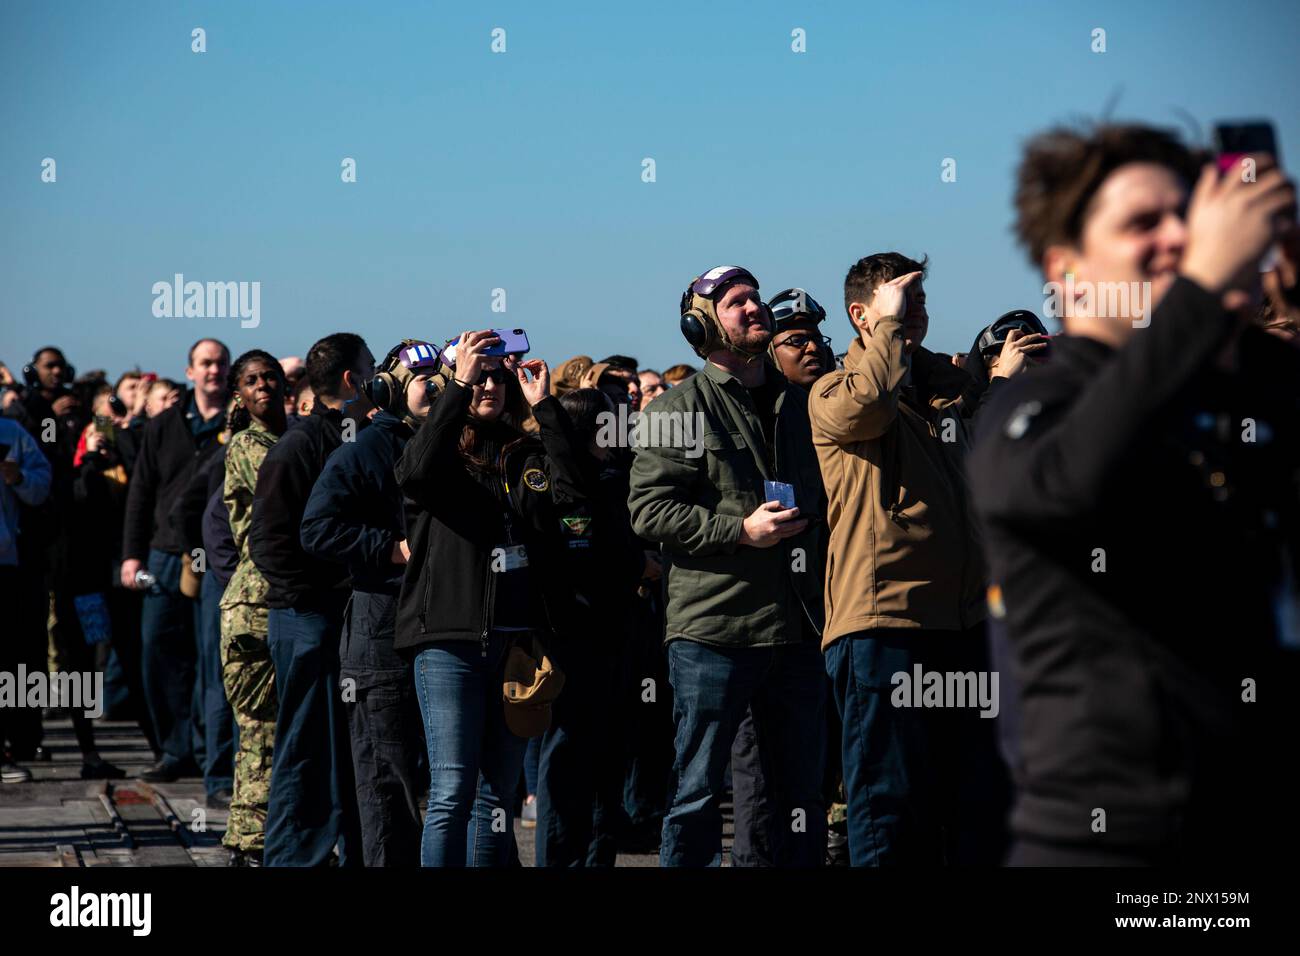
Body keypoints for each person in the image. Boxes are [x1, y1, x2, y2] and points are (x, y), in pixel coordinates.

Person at [970, 122, 1300, 866]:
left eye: (1188, 217)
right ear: (1066, 270)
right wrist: (1203, 294)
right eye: (1142, 223)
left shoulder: (1237, 388)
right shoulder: (1035, 406)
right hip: (1109, 846)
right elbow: (1068, 483)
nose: (1181, 240)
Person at [807, 252, 1010, 867]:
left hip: (962, 624)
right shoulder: (832, 390)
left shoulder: (947, 395)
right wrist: (889, 328)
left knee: (970, 805)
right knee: (888, 807)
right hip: (883, 623)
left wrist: (999, 385)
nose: (915, 310)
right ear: (859, 315)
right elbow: (869, 405)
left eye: (920, 299)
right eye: (901, 300)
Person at [628, 265, 828, 867]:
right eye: (736, 302)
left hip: (798, 628)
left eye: (755, 298)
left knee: (799, 797)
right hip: (714, 630)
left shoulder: (805, 405)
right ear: (701, 324)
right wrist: (739, 531)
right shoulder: (676, 409)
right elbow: (649, 512)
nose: (753, 308)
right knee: (695, 793)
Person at [394, 330, 586, 867]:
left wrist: (545, 407)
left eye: (498, 376)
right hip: (449, 638)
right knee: (453, 788)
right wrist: (457, 383)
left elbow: (574, 500)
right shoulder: (436, 449)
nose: (490, 386)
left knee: (496, 795)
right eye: (480, 376)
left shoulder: (522, 451)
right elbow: (414, 474)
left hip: (514, 640)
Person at [300, 340, 444, 866]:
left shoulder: (444, 444)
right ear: (387, 390)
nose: (435, 385)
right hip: (379, 634)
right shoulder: (362, 450)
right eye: (421, 377)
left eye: (440, 375)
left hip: (434, 628)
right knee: (387, 784)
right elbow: (316, 529)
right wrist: (389, 549)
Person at [250, 332, 375, 867]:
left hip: (330, 618)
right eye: (372, 368)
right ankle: (291, 858)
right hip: (307, 620)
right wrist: (315, 599)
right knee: (305, 749)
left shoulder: (355, 436)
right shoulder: (299, 445)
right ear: (352, 379)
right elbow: (269, 541)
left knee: (339, 753)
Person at [535, 388, 644, 866]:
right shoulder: (567, 482)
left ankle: (597, 858)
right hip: (576, 637)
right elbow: (582, 557)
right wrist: (637, 564)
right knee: (568, 758)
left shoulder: (615, 476)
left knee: (609, 759)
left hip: (617, 634)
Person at [120, 339, 230, 782]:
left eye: (221, 362)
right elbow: (140, 493)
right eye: (205, 363)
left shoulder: (238, 423)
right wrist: (131, 555)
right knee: (158, 651)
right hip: (165, 553)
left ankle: (212, 758)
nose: (214, 370)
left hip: (216, 555)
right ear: (189, 371)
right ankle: (174, 749)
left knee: (211, 656)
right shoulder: (164, 424)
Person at [218, 351, 288, 866]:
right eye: (251, 380)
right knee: (259, 729)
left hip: (282, 598)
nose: (262, 385)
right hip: (254, 604)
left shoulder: (293, 437)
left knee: (285, 727)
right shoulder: (249, 445)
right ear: (238, 394)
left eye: (269, 377)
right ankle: (250, 839)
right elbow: (289, 486)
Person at [0, 414, 52, 783]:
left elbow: (41, 484)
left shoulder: (12, 432)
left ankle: (10, 746)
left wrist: (16, 477)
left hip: (5, 563)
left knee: (9, 659)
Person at [766, 287, 835, 388]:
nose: (813, 347)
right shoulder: (750, 402)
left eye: (818, 340)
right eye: (797, 341)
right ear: (770, 354)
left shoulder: (847, 397)